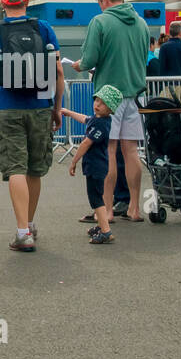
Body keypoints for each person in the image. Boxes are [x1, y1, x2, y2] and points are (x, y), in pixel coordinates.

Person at [0, 0, 63, 252]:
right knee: (35, 169)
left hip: (8, 108)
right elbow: (58, 73)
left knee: (16, 169)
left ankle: (23, 233)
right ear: (27, 1)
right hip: (40, 106)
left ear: (3, 3)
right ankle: (30, 223)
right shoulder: (43, 28)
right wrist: (57, 108)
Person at [73, 0, 151, 223]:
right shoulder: (141, 23)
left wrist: (80, 65)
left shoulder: (101, 22)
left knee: (109, 151)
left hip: (108, 97)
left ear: (104, 0)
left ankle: (107, 210)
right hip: (134, 94)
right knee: (131, 152)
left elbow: (90, 58)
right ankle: (134, 208)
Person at [62, 85, 119, 246]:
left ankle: (106, 231)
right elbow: (84, 118)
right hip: (96, 166)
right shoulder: (98, 119)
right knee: (95, 197)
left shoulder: (101, 124)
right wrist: (69, 112)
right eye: (96, 100)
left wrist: (74, 161)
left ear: (110, 108)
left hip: (96, 166)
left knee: (96, 199)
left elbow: (86, 142)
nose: (97, 104)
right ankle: (101, 226)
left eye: (102, 103)